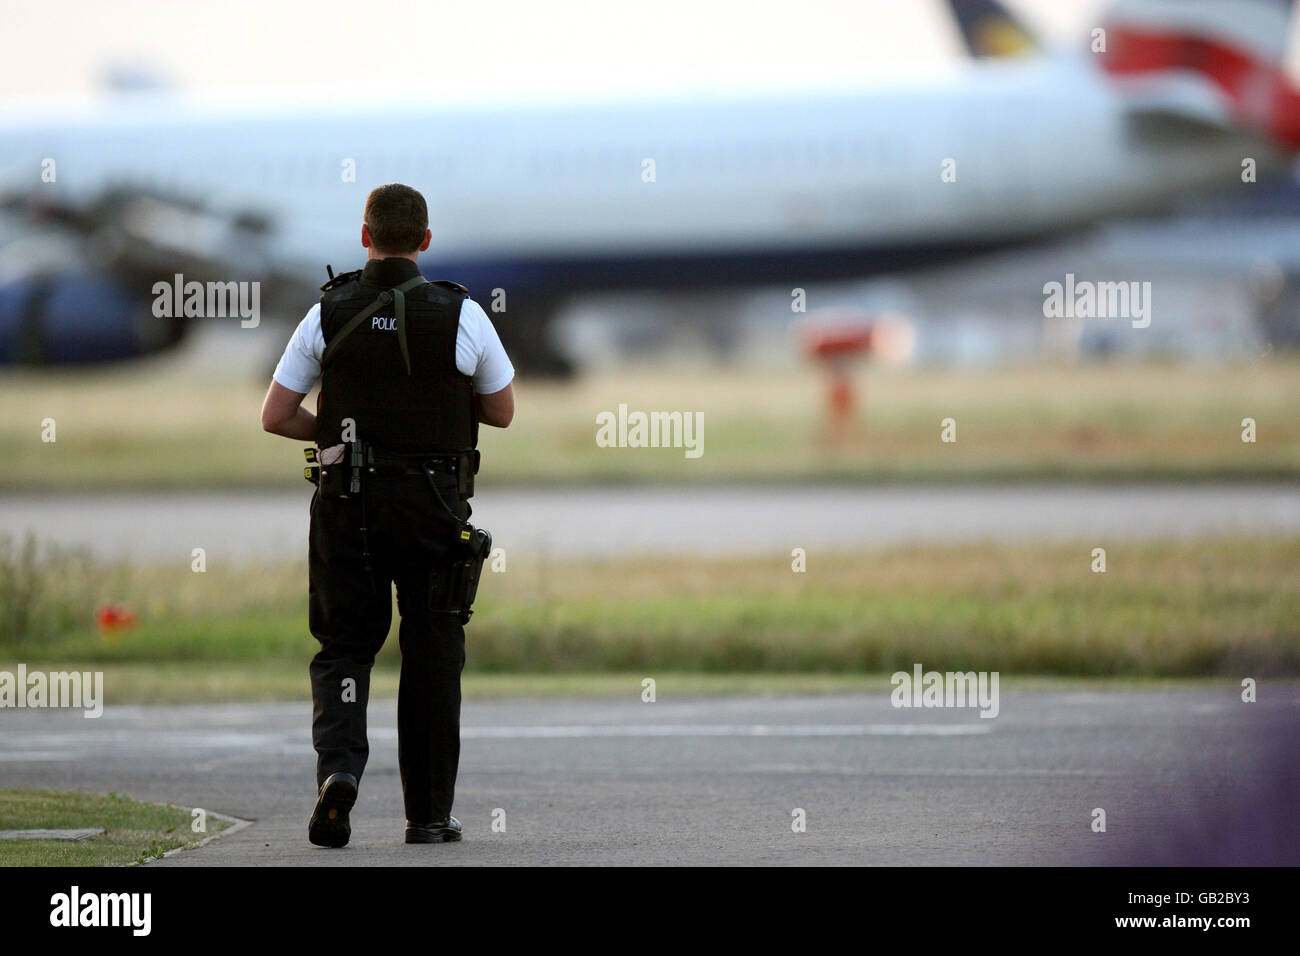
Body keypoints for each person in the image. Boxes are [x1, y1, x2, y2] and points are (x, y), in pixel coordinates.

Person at [260, 183, 514, 847]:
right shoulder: (462, 315)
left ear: (364, 235)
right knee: (432, 654)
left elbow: (277, 415)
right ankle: (428, 817)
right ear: (426, 241)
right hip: (433, 510)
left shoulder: (325, 312)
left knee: (345, 649)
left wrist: (337, 436)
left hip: (349, 509)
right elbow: (502, 410)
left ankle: (339, 774)